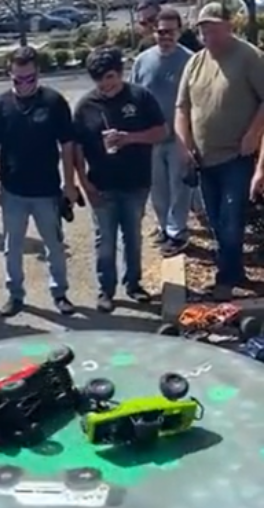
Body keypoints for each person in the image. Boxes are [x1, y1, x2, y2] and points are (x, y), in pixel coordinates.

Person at [0, 46, 76, 317]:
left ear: (38, 74)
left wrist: (69, 184)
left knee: (54, 245)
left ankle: (60, 293)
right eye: (17, 79)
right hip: (13, 191)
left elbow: (68, 145)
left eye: (30, 79)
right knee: (13, 247)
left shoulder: (54, 102)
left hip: (47, 190)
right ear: (9, 75)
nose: (24, 85)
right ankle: (15, 295)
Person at [181, 3, 264, 301]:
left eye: (214, 29)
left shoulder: (249, 57)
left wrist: (254, 133)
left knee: (230, 219)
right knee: (216, 220)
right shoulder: (195, 62)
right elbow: (182, 108)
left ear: (229, 27)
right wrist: (185, 143)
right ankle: (234, 271)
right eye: (204, 30)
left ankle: (225, 279)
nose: (208, 35)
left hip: (236, 157)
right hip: (204, 158)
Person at [74, 47, 166, 312]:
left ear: (121, 72)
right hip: (101, 185)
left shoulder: (140, 97)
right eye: (99, 79)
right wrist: (83, 182)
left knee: (133, 237)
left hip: (136, 182)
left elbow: (162, 131)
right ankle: (106, 290)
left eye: (110, 77)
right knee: (105, 241)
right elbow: (76, 148)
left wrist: (129, 138)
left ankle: (134, 284)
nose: (106, 84)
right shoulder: (85, 106)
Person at [131, 8, 193, 257]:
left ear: (179, 32)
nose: (165, 36)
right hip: (150, 138)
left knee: (179, 188)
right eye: (161, 31)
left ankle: (178, 232)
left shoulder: (190, 60)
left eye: (170, 32)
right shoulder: (142, 61)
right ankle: (164, 227)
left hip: (179, 138)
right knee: (157, 189)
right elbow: (134, 97)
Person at [136, 0, 203, 52]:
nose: (149, 25)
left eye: (151, 19)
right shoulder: (144, 46)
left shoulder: (185, 36)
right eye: (143, 23)